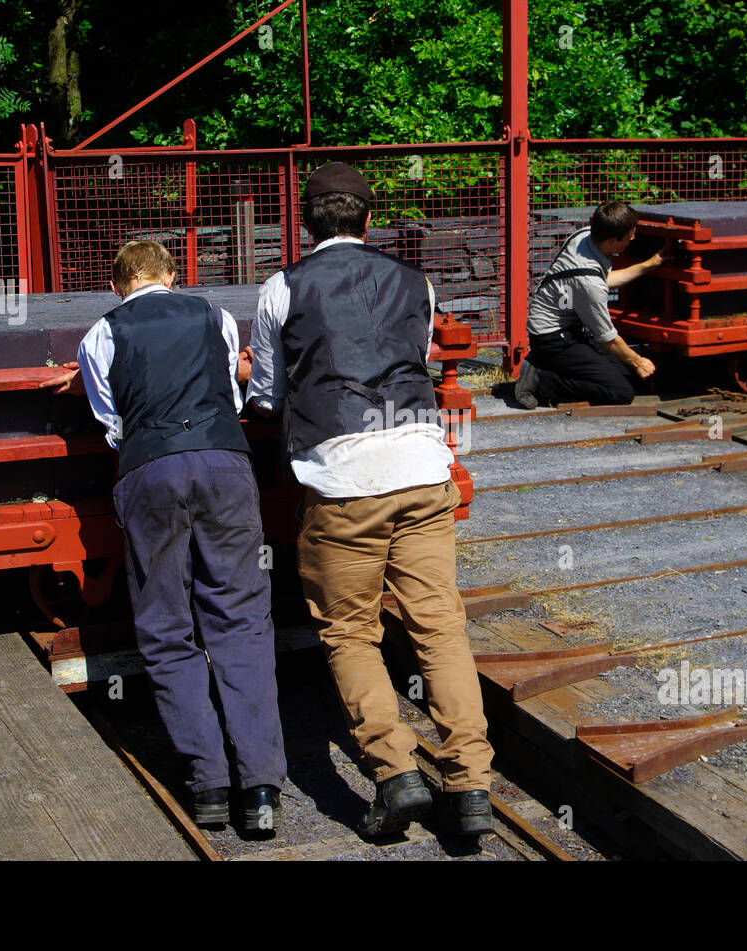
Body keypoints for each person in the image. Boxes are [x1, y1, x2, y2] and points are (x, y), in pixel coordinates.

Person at [245, 162, 495, 839]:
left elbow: (266, 395)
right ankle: (471, 786)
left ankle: (395, 773)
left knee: (351, 631)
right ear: (367, 218)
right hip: (421, 465)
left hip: (342, 481)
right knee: (440, 627)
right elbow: (410, 359)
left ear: (305, 222)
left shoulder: (281, 288)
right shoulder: (418, 282)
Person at [42, 240, 286, 833]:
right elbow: (231, 394)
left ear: (118, 284)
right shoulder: (217, 317)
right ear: (172, 276)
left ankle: (207, 787)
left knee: (166, 626)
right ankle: (259, 790)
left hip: (151, 471)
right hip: (226, 465)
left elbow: (112, 423)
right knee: (241, 621)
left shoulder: (100, 336)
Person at [514, 200, 663, 409]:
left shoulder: (585, 236)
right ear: (612, 241)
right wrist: (639, 361)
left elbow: (601, 281)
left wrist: (650, 265)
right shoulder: (589, 283)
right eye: (629, 235)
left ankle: (546, 367)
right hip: (552, 340)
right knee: (621, 392)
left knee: (627, 373)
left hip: (568, 331)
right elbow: (607, 339)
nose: (633, 237)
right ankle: (540, 380)